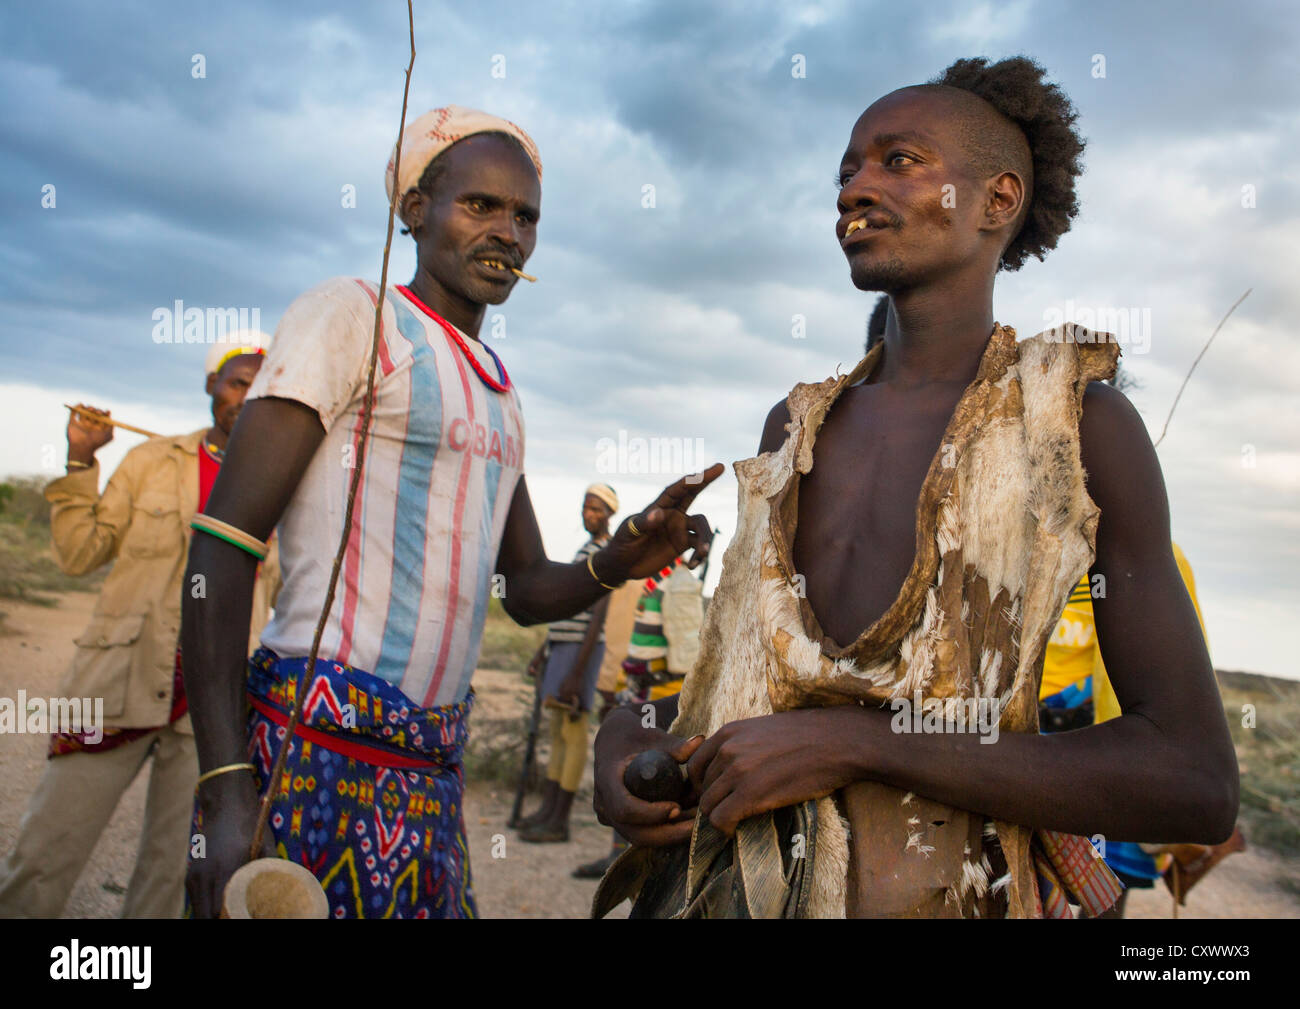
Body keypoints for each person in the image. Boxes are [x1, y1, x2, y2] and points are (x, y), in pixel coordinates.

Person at [593, 56, 1238, 918]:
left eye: (898, 162)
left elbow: (1191, 777)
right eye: (847, 170)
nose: (854, 188)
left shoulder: (1074, 428)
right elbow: (755, 690)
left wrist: (860, 743)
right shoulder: (794, 431)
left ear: (996, 202)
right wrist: (625, 744)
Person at [180, 105, 721, 919]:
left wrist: (623, 558)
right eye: (481, 205)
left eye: (525, 215)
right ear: (413, 211)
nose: (507, 231)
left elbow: (527, 588)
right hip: (304, 749)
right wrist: (225, 783)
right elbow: (222, 549)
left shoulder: (500, 391)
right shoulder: (352, 318)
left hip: (430, 773)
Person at [0, 335, 276, 918]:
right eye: (236, 383)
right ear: (211, 386)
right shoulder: (152, 461)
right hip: (116, 684)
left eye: (262, 388)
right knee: (47, 851)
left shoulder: (283, 489)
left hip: (209, 709)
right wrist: (81, 459)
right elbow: (79, 555)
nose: (246, 399)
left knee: (169, 875)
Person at [1041, 539, 1243, 915]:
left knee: (1107, 878)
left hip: (1105, 727)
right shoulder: (1032, 539)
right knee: (1019, 871)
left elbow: (1182, 665)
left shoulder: (1153, 554)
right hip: (1027, 722)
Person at [516, 484, 617, 843]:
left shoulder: (606, 552)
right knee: (558, 731)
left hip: (581, 651)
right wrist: (545, 648)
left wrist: (576, 672)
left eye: (596, 509)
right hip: (563, 646)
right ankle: (547, 810)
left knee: (572, 733)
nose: (588, 514)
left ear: (610, 513)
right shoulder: (584, 551)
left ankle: (559, 820)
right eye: (586, 507)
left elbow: (597, 616)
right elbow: (569, 608)